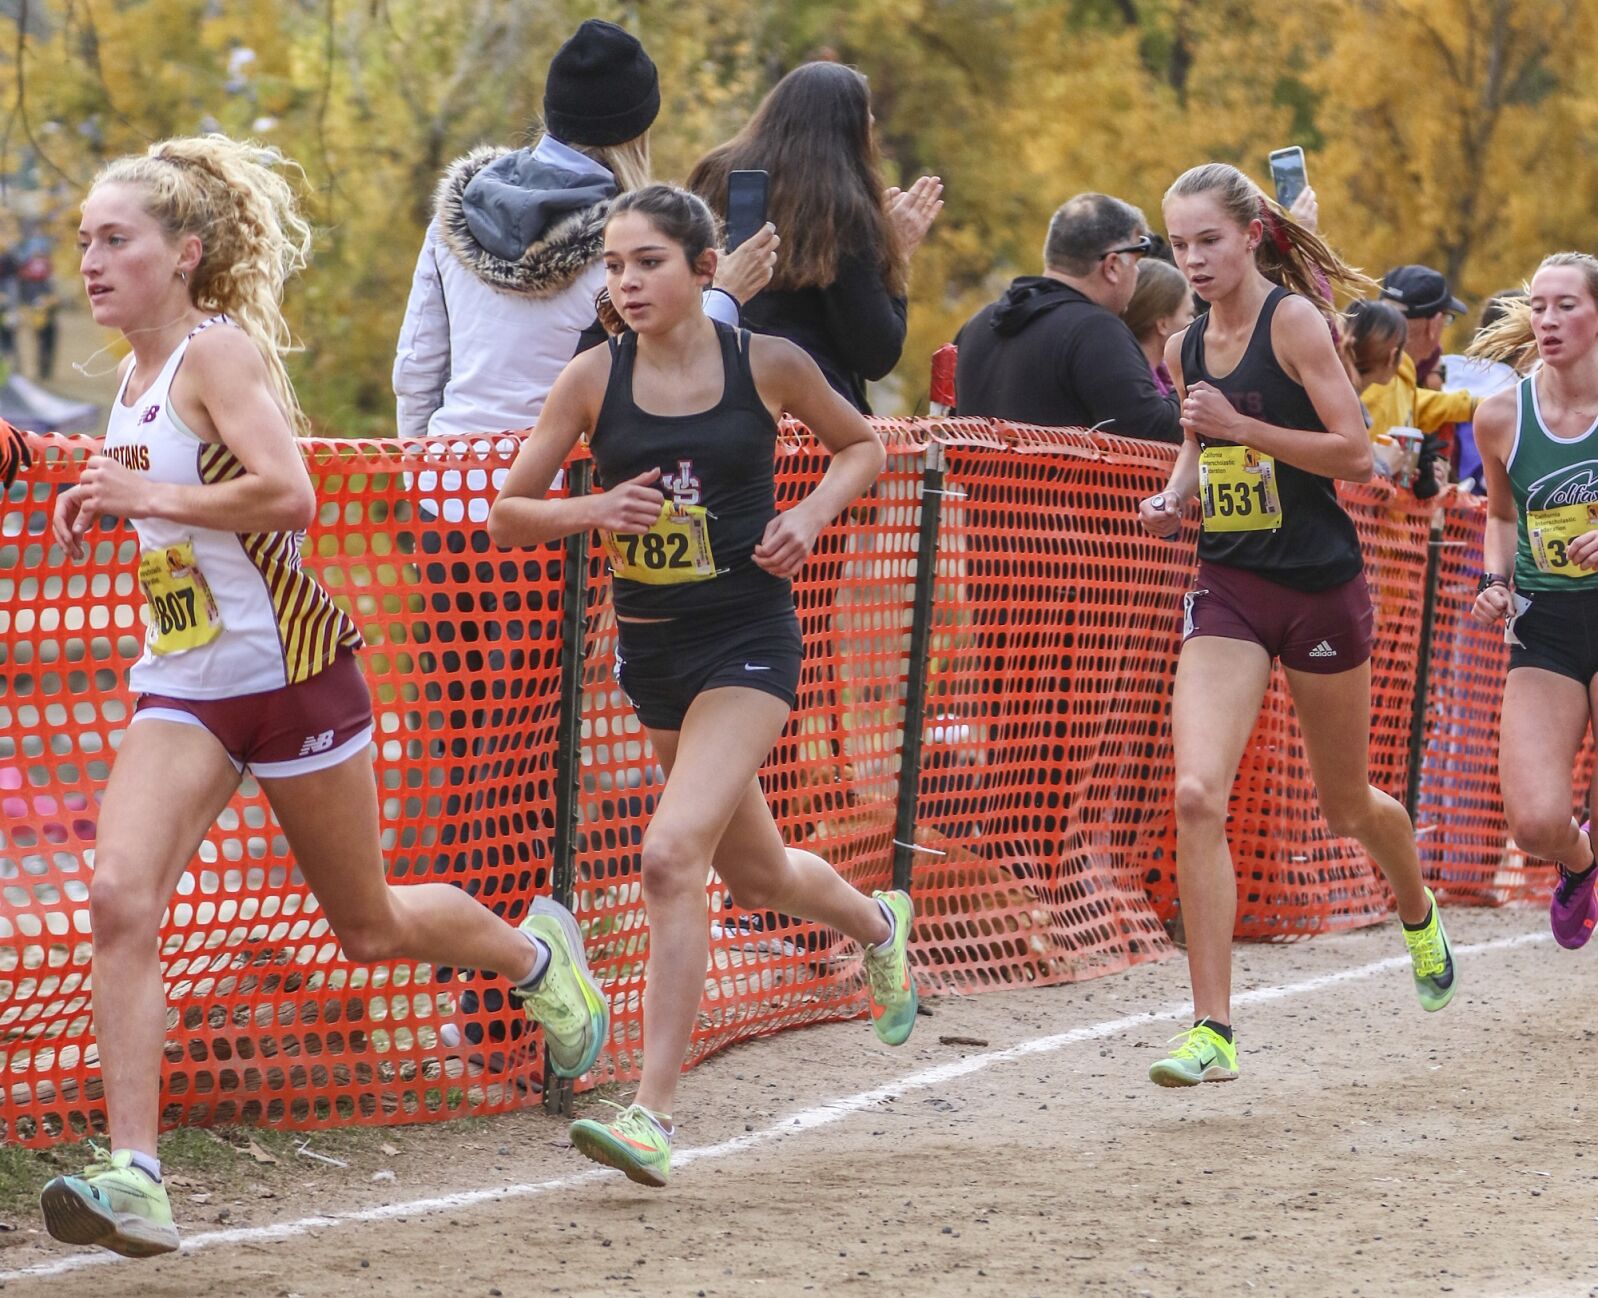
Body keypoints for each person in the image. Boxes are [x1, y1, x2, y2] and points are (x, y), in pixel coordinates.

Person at [40, 134, 608, 1259]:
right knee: (119, 900)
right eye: (84, 242)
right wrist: (112, 501)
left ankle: (536, 957)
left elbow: (289, 493)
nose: (92, 262)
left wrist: (146, 488)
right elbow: (178, 500)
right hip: (187, 688)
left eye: (116, 240)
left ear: (184, 252)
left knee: (368, 924)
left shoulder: (216, 353)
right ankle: (138, 1176)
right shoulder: (134, 374)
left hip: (296, 681)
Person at [488, 184, 916, 1187]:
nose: (625, 281)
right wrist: (596, 507)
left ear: (702, 270)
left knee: (670, 853)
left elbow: (864, 445)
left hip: (748, 641)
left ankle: (651, 1110)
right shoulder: (592, 380)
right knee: (758, 873)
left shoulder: (765, 362)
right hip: (654, 654)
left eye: (646, 262)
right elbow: (509, 510)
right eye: (612, 264)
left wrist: (807, 516)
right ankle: (876, 923)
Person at [1137, 162, 1457, 1088]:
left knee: (1347, 803)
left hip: (1320, 587)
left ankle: (1414, 905)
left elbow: (1358, 454)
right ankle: (1212, 1029)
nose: (1192, 260)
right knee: (1197, 794)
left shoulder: (1296, 323)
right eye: (1177, 244)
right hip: (1231, 586)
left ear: (1249, 236)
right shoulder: (1186, 345)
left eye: (1208, 241)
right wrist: (1172, 497)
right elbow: (1198, 446)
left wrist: (1247, 427)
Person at [393, 18, 777, 441]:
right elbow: (678, 370)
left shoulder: (460, 212)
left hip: (447, 481)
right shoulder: (629, 238)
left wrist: (423, 472)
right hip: (562, 490)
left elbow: (416, 367)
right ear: (637, 131)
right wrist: (726, 293)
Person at [1466, 252, 1598, 948]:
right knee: (1536, 822)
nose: (1548, 320)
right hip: (1544, 620)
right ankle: (1582, 865)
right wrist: (1493, 583)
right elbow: (1502, 516)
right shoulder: (1500, 416)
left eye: (1567, 305)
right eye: (1539, 306)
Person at [687, 60, 942, 413]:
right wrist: (893, 255)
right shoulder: (840, 206)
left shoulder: (713, 174)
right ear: (852, 134)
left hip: (705, 397)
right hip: (814, 428)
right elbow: (875, 353)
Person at [952, 193, 1181, 440]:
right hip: (1060, 480)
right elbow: (1150, 429)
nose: (1136, 273)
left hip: (976, 480)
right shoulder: (1095, 330)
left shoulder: (976, 325)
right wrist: (1196, 384)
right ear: (1112, 266)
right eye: (1135, 262)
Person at [1364, 264, 1478, 494]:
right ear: (1434, 325)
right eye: (1447, 320)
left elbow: (1426, 404)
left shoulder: (1377, 372)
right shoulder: (1384, 382)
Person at [1122, 256, 1195, 397]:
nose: (1193, 323)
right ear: (1162, 325)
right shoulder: (1141, 395)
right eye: (1189, 314)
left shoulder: (1163, 378)